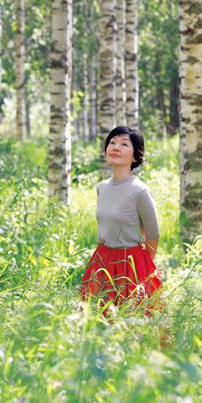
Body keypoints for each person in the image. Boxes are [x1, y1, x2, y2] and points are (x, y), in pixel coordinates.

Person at [80, 126, 164, 318]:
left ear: (135, 156)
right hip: (102, 259)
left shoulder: (139, 191)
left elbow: (153, 235)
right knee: (97, 319)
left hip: (131, 263)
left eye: (124, 144)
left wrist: (143, 267)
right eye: (112, 143)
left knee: (131, 321)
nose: (116, 147)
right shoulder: (101, 188)